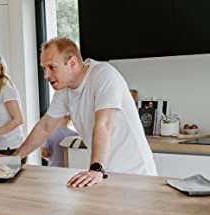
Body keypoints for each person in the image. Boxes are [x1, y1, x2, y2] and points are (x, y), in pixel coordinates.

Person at [14, 37, 157, 187]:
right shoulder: (64, 91)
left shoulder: (103, 75)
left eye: (51, 67)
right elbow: (45, 127)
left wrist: (96, 167)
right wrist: (14, 160)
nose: (46, 75)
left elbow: (104, 124)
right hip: (105, 176)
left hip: (137, 175)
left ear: (72, 63)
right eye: (44, 68)